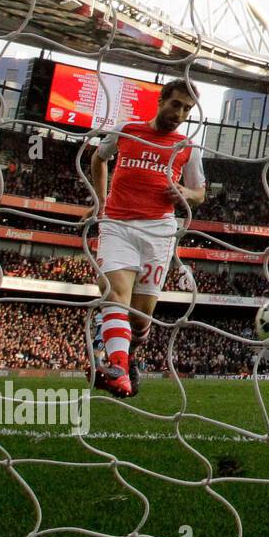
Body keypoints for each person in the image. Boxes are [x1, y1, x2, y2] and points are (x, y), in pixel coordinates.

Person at [86, 79, 205, 398]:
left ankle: (129, 355)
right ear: (161, 100)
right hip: (117, 225)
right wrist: (100, 201)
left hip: (158, 232)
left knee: (139, 319)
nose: (180, 114)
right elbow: (99, 158)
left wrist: (186, 192)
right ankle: (118, 369)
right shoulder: (127, 130)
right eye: (176, 104)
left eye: (187, 109)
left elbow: (200, 193)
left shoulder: (187, 147)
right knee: (115, 294)